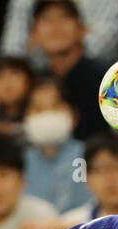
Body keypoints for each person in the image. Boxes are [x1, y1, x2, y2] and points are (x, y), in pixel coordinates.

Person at [29, 0, 109, 141]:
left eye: (64, 17)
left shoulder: (106, 79)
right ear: (34, 35)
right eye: (46, 19)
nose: (56, 27)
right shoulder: (34, 82)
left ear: (82, 30)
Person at [23, 77, 90, 214]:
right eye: (38, 109)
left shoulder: (88, 156)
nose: (47, 115)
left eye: (54, 107)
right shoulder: (21, 162)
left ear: (73, 115)